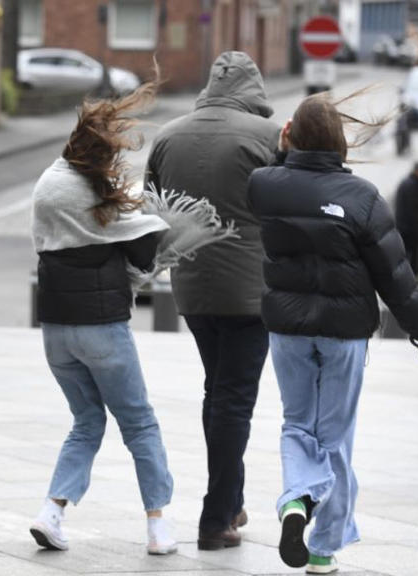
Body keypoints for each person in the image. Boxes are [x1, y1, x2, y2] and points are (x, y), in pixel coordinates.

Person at [248, 93, 418, 574]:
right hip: (343, 333)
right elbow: (394, 273)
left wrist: (282, 146)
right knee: (334, 437)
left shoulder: (265, 185)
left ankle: (295, 502)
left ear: (292, 136)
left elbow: (272, 173)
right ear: (339, 142)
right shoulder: (363, 197)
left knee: (296, 424)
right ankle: (323, 548)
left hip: (287, 328)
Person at [29, 79, 177, 556]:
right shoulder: (92, 197)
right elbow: (143, 245)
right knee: (139, 424)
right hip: (102, 329)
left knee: (86, 421)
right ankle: (158, 527)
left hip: (55, 332)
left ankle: (52, 512)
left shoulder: (47, 185)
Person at [144, 51, 280, 550]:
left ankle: (232, 502)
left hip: (193, 286)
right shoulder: (269, 137)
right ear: (254, 88)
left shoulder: (167, 135)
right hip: (252, 292)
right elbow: (285, 208)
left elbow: (152, 209)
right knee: (234, 400)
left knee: (218, 392)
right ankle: (215, 517)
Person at [394, 161, 418, 279]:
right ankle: (410, 276)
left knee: (405, 252)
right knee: (410, 252)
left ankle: (408, 275)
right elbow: (411, 208)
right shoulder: (412, 185)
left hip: (403, 224)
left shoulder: (408, 182)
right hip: (408, 226)